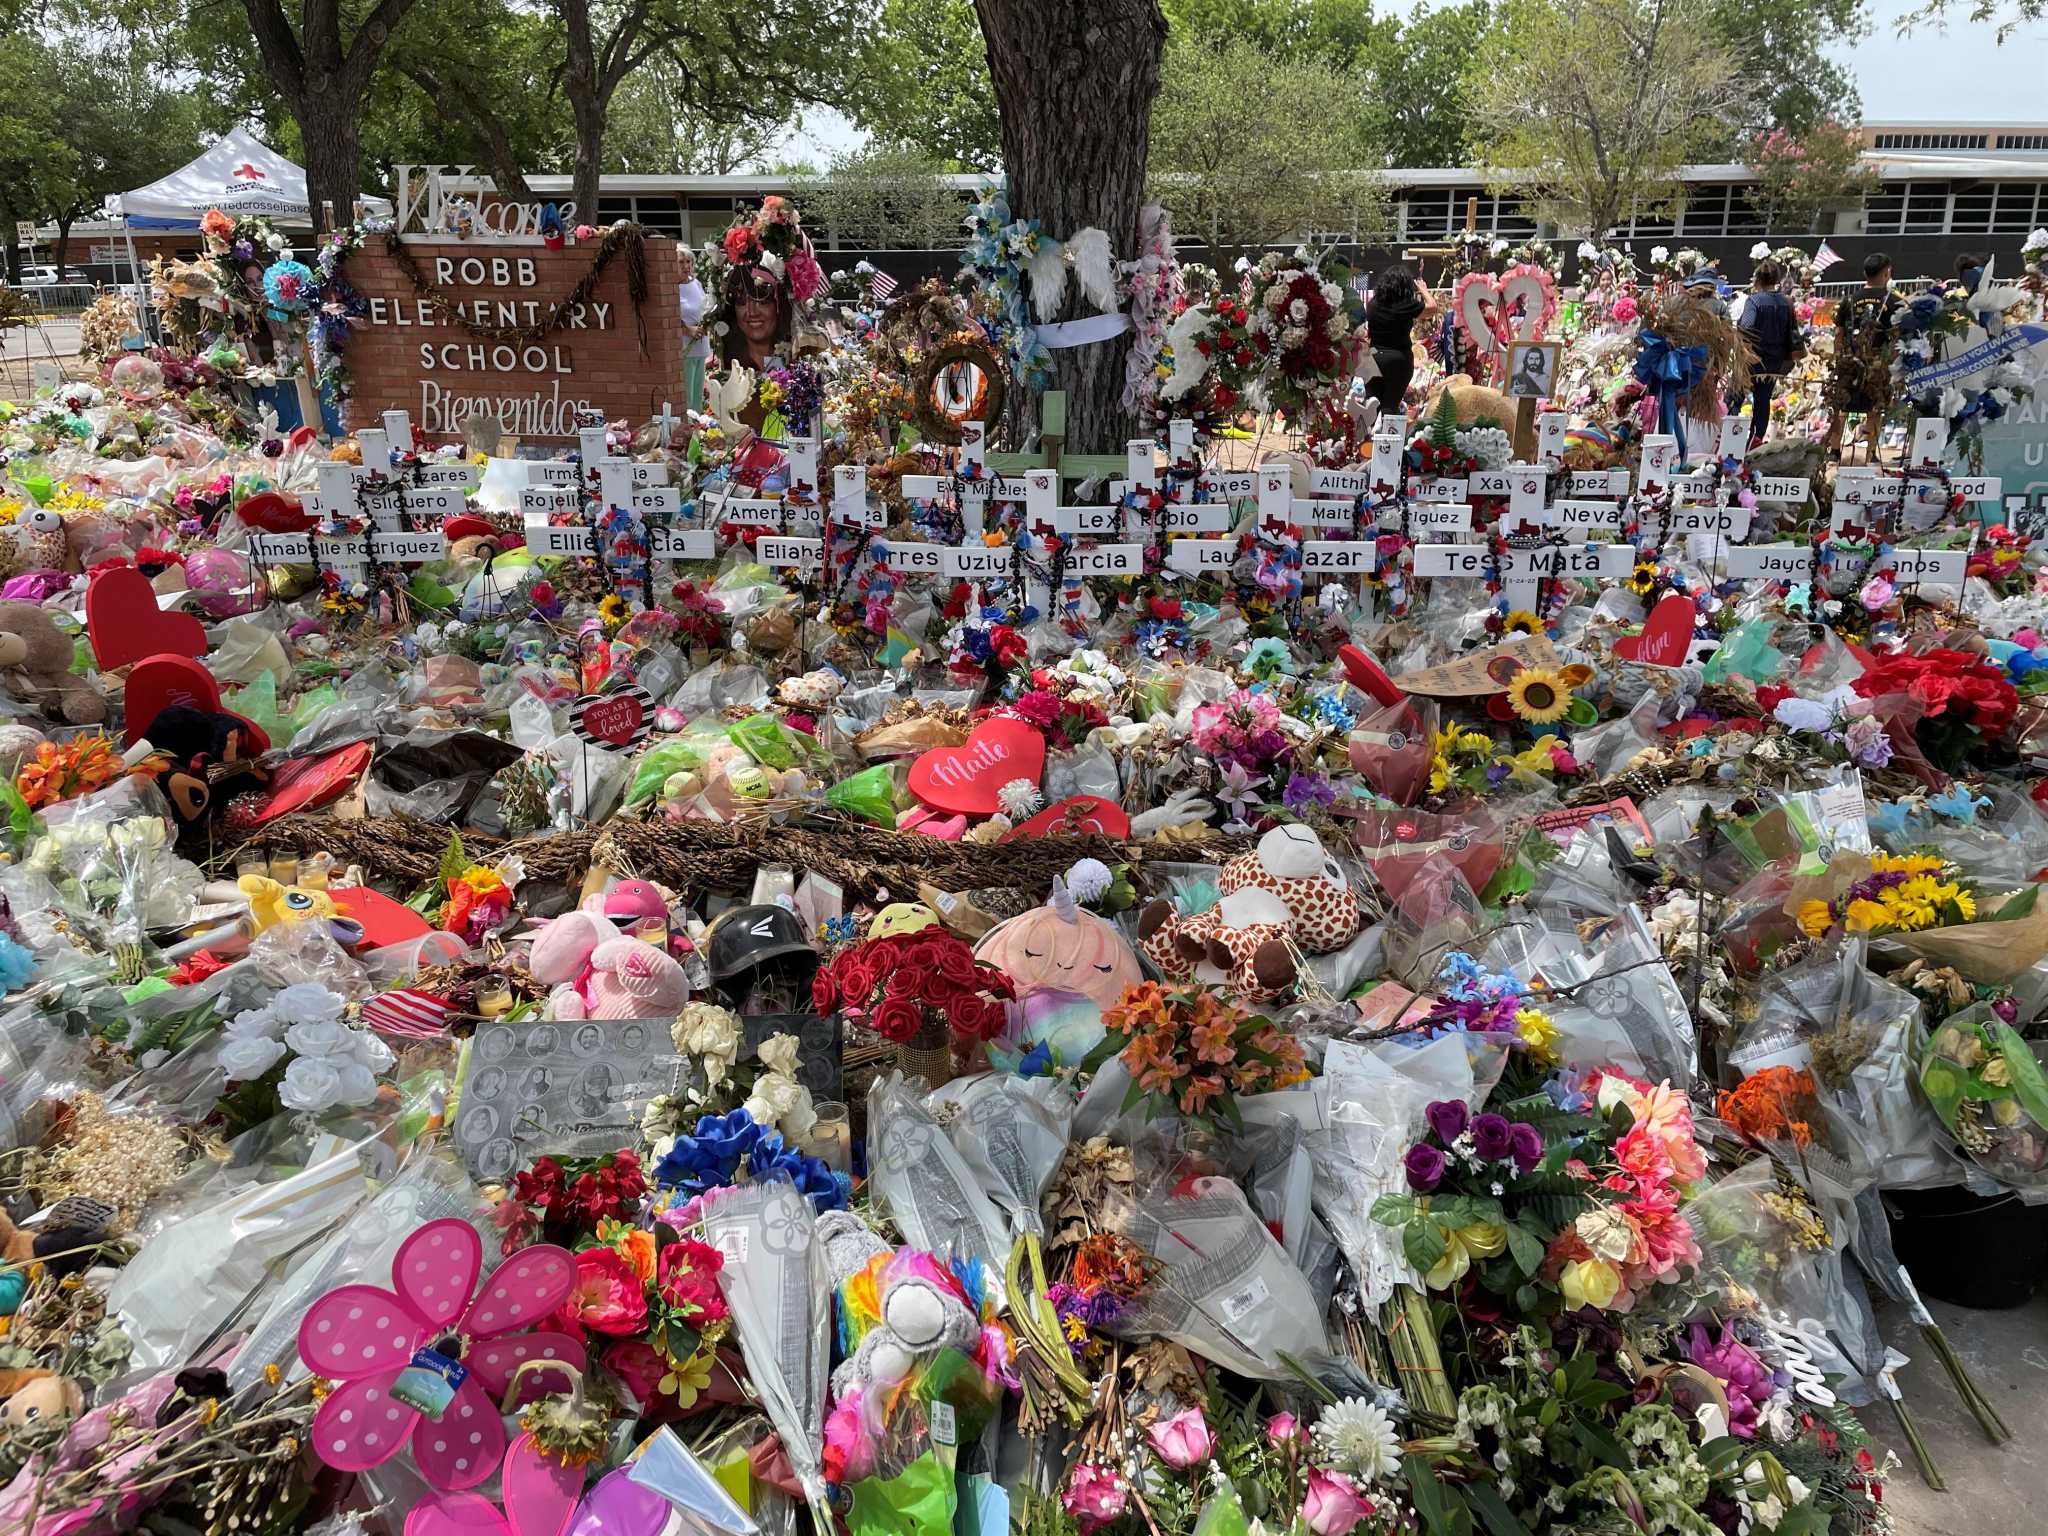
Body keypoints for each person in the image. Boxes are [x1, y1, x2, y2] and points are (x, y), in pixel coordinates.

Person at [1828, 252, 1901, 461]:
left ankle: (1834, 451)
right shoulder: (1894, 302)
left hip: (1849, 360)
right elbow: (1897, 338)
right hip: (1879, 362)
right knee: (1876, 406)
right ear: (1887, 273)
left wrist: (1838, 359)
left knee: (1841, 405)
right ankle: (1870, 453)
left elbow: (1839, 334)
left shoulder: (1849, 300)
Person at [1735, 259, 1800, 448]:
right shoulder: (1786, 302)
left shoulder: (1754, 301)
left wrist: (1746, 350)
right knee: (1763, 402)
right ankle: (1755, 442)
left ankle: (1729, 439)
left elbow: (1746, 327)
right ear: (1777, 279)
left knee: (1735, 399)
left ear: (1757, 279)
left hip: (1751, 361)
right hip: (1774, 364)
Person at [1364, 264, 1424, 415]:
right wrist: (1423, 289)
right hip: (1398, 359)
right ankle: (1386, 437)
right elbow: (1432, 307)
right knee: (1390, 407)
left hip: (1373, 357)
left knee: (1371, 408)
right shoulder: (1406, 306)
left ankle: (1369, 437)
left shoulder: (1373, 304)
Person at [678, 246, 710, 413]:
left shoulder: (696, 283)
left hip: (700, 346)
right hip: (684, 348)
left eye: (689, 261)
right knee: (687, 397)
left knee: (697, 396)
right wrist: (687, 329)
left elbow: (705, 308)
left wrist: (707, 323)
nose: (686, 266)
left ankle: (698, 430)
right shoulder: (671, 288)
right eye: (681, 262)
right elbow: (668, 315)